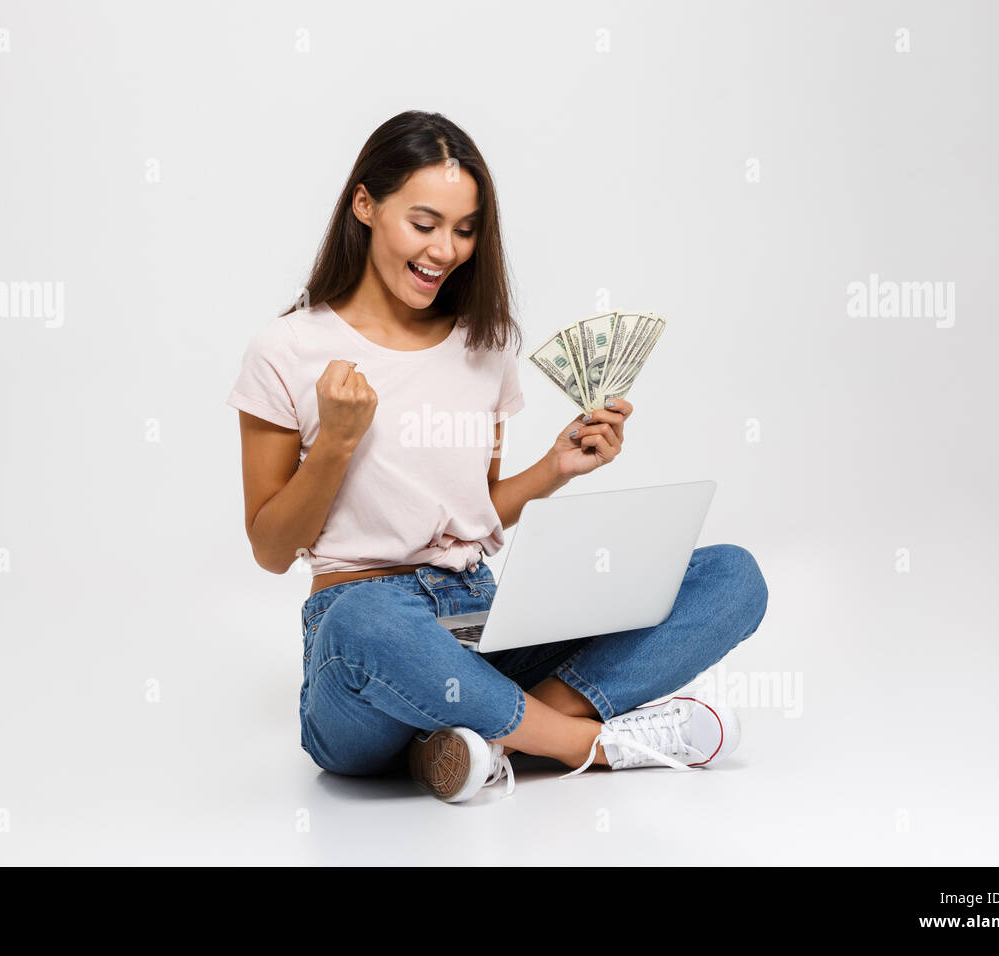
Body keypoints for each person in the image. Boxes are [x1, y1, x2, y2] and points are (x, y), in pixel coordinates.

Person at [227, 110, 769, 803]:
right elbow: (271, 549)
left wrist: (553, 469)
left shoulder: (485, 344)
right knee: (367, 621)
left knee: (730, 577)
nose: (445, 250)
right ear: (364, 204)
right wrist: (333, 443)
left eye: (465, 228)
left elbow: (473, 512)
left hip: (480, 619)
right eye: (424, 224)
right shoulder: (286, 350)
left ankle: (471, 740)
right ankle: (589, 745)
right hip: (362, 643)